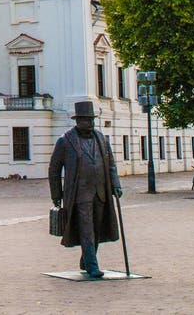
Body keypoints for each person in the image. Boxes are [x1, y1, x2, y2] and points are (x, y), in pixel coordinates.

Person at [48, 100, 122, 279]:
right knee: (87, 228)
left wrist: (116, 184)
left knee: (97, 227)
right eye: (87, 120)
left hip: (101, 191)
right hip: (79, 193)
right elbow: (54, 169)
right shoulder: (65, 141)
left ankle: (87, 258)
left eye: (92, 119)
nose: (91, 123)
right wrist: (56, 194)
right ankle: (92, 265)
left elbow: (111, 164)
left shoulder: (101, 139)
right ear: (78, 120)